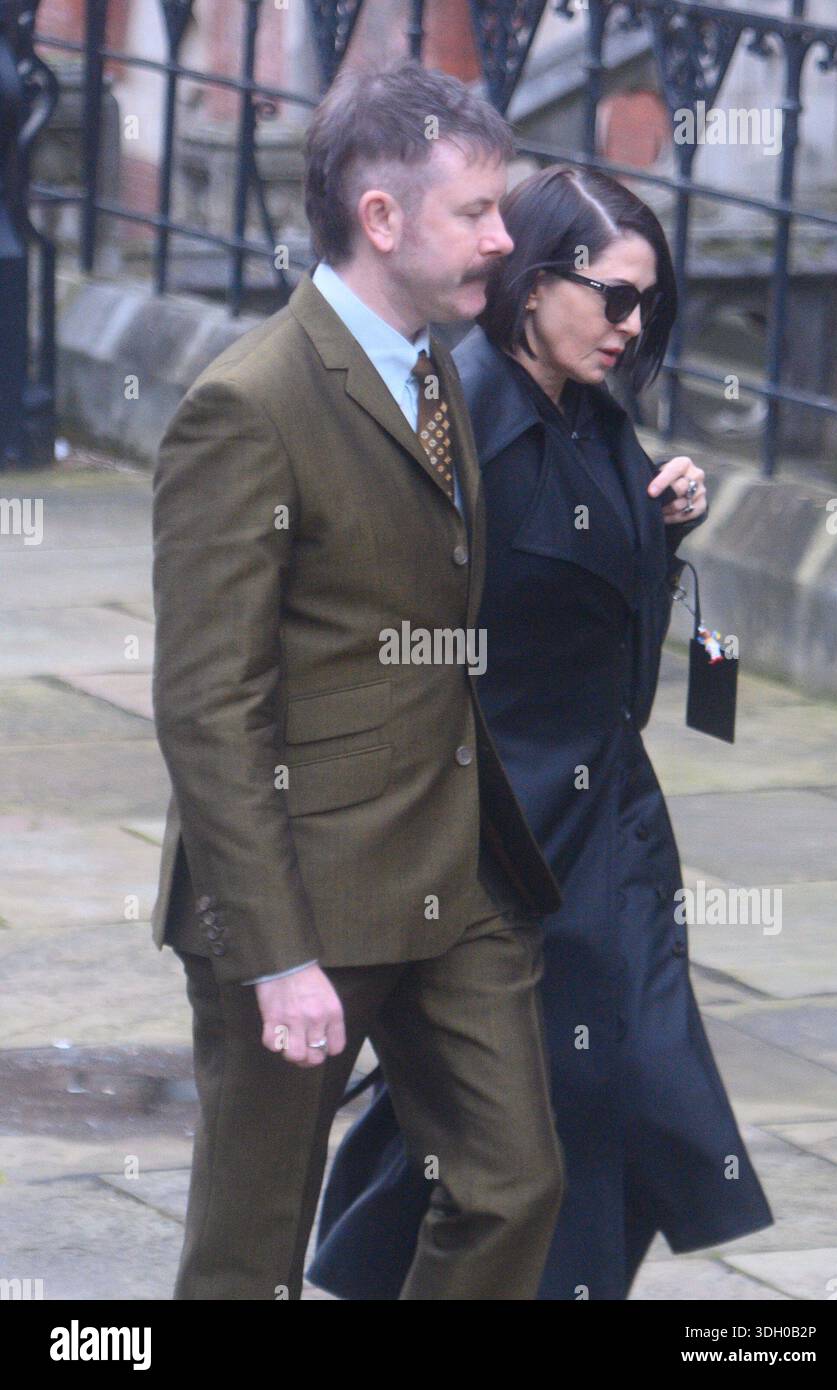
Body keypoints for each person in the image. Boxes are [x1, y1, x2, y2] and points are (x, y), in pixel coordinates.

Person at [308, 164, 774, 1302]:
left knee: (620, 1089)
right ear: (531, 279)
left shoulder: (591, 415)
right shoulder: (455, 422)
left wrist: (658, 531)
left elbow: (593, 632)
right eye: (613, 296)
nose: (631, 326)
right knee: (552, 1104)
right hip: (499, 834)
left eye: (648, 307)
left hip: (603, 824)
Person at [149, 64, 569, 1301]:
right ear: (381, 220)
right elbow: (206, 705)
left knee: (511, 1183)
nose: (504, 237)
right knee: (250, 1255)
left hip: (448, 869)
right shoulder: (246, 405)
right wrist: (277, 957)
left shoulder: (433, 364)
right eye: (476, 212)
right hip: (297, 896)